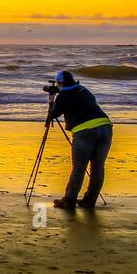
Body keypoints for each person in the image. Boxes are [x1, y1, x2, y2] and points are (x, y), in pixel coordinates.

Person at [48, 70, 113, 209]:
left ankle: (69, 200)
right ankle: (89, 200)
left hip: (85, 131)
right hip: (106, 127)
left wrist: (51, 99)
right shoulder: (83, 90)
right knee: (98, 167)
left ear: (60, 83)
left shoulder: (63, 95)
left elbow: (53, 114)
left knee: (79, 168)